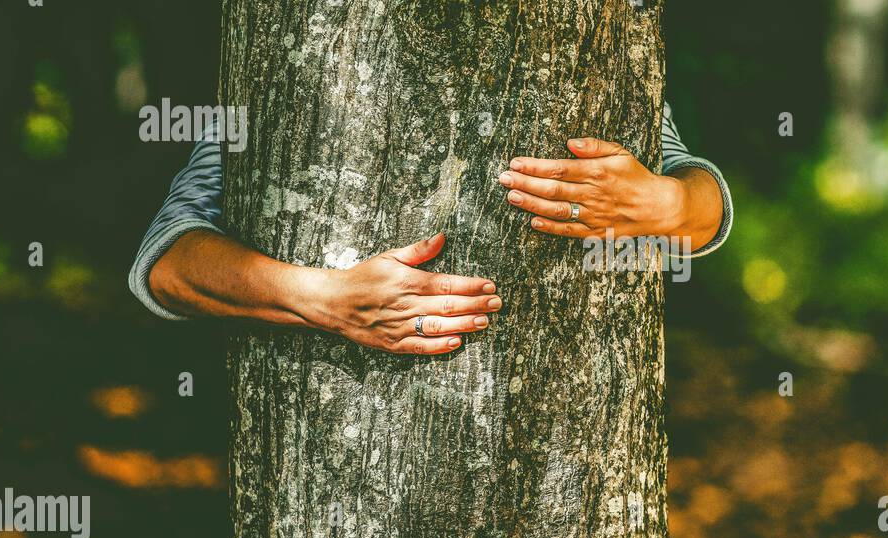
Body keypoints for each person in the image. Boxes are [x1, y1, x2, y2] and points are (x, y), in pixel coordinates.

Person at [129, 102, 733, 353]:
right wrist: (320, 298)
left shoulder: (586, 14)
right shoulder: (291, 27)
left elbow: (698, 196)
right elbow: (165, 263)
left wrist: (668, 204)